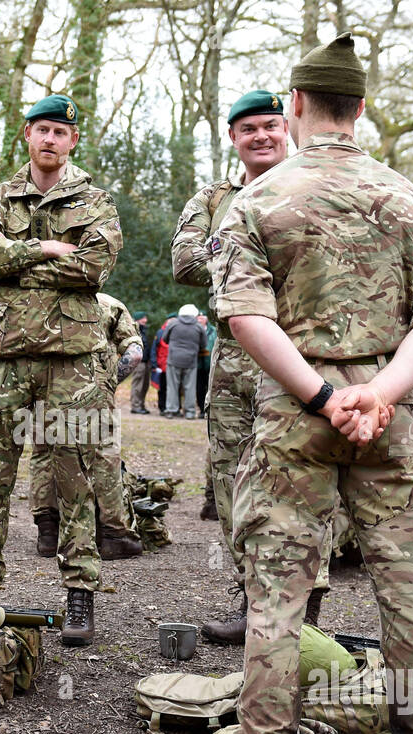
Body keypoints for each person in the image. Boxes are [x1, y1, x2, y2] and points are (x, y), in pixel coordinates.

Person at [204, 33, 413, 734]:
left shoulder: (254, 202)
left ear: (294, 108)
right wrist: (379, 394)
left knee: (276, 598)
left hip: (293, 419)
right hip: (393, 423)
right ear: (361, 108)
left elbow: (246, 315)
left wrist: (322, 395)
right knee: (412, 595)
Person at [0, 93, 123, 647]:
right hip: (4, 358)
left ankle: (80, 593)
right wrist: (50, 249)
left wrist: (20, 255)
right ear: (26, 135)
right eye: (41, 130)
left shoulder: (95, 200)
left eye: (60, 131)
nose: (50, 139)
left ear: (73, 140)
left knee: (74, 476)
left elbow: (95, 267)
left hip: (70, 360)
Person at [171, 89, 290, 640]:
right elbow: (185, 263)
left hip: (296, 356)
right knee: (229, 480)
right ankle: (250, 601)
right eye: (249, 130)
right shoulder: (216, 197)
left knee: (292, 481)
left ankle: (299, 610)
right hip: (232, 359)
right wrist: (252, 249)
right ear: (234, 139)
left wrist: (229, 251)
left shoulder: (307, 186)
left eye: (271, 125)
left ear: (286, 127)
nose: (262, 136)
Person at [28, 290, 143, 560]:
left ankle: (48, 533)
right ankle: (114, 534)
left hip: (46, 385)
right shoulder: (109, 303)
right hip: (91, 384)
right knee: (103, 454)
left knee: (45, 452)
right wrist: (109, 380)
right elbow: (134, 353)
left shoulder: (40, 300)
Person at [163, 304, 205, 418]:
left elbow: (164, 339)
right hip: (191, 361)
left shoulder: (173, 324)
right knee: (190, 387)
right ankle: (190, 412)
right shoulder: (198, 326)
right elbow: (203, 344)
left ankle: (171, 410)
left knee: (172, 386)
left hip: (173, 359)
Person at [129, 313, 151, 414]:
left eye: (145, 318)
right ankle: (135, 406)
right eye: (143, 318)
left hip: (145, 361)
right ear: (137, 320)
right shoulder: (134, 330)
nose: (145, 320)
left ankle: (141, 405)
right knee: (137, 384)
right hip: (138, 361)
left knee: (145, 385)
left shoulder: (143, 330)